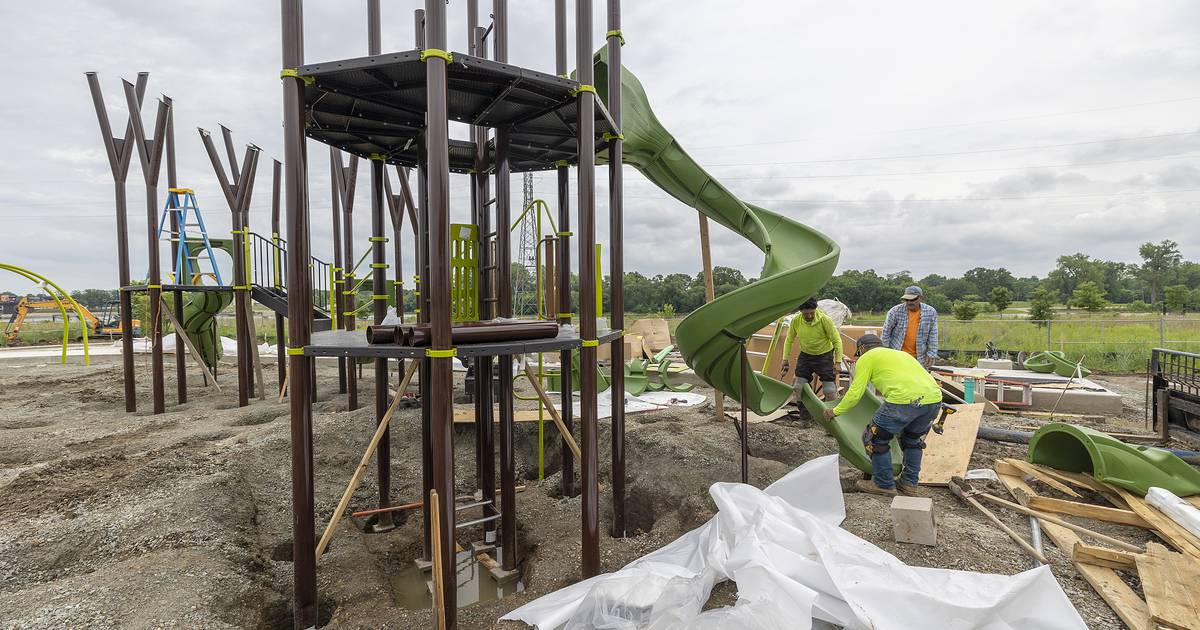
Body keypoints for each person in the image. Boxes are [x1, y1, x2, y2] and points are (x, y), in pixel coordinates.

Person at [823, 333, 942, 496]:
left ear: (862, 349)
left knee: (875, 438)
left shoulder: (866, 358)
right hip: (933, 400)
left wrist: (835, 411)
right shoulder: (901, 354)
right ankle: (909, 483)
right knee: (912, 440)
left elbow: (856, 392)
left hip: (903, 401)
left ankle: (884, 484)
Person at [780, 298, 843, 400]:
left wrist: (838, 362)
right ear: (801, 312)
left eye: (812, 313)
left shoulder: (825, 320)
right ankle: (805, 414)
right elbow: (789, 340)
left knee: (829, 389)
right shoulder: (796, 321)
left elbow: (837, 341)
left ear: (815, 309)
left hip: (824, 356)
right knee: (798, 387)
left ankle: (832, 414)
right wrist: (785, 359)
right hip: (806, 356)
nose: (809, 316)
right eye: (805, 314)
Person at [881, 285, 938, 367]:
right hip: (897, 355)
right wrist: (885, 353)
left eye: (913, 299)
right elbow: (885, 333)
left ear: (920, 298)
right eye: (907, 300)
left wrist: (932, 353)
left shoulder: (930, 312)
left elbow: (933, 334)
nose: (909, 302)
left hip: (920, 358)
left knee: (917, 379)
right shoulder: (895, 311)